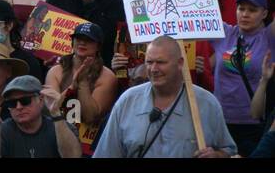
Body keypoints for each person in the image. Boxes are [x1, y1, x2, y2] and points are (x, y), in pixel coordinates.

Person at [94, 36, 236, 158]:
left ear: (180, 64)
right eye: (149, 62)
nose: (154, 69)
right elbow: (106, 153)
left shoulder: (206, 103)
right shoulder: (127, 101)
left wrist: (217, 155)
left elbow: (229, 151)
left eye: (161, 62)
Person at [213, 0, 273, 155]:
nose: (245, 14)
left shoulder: (269, 37)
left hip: (252, 126)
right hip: (219, 122)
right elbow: (196, 18)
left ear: (264, 13)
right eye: (241, 8)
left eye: (252, 10)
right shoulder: (224, 33)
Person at [42, 22, 118, 154]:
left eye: (88, 40)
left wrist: (83, 83)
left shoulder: (107, 77)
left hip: (89, 147)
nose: (82, 43)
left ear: (98, 46)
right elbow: (51, 109)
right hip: (56, 139)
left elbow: (90, 116)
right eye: (78, 38)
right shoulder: (56, 71)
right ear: (72, 42)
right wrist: (72, 87)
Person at [0, 75, 82, 158]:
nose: (19, 107)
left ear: (41, 100)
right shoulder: (3, 130)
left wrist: (57, 115)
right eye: (12, 103)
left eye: (25, 101)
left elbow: (74, 156)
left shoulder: (60, 127)